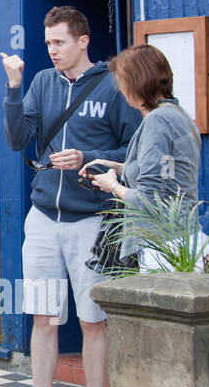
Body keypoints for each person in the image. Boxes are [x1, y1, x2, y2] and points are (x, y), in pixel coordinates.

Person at [0, 5, 141, 387]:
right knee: (42, 318)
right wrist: (15, 87)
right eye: (47, 43)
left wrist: (87, 157)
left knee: (92, 321)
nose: (52, 51)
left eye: (59, 42)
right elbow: (19, 139)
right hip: (43, 219)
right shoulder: (41, 82)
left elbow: (133, 151)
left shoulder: (114, 84)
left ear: (82, 41)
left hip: (92, 221)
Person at [80, 44, 202, 263]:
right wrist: (116, 166)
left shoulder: (157, 121)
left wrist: (113, 186)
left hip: (162, 245)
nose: (120, 89)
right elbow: (167, 175)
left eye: (122, 81)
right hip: (183, 238)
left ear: (136, 83)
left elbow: (150, 199)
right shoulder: (178, 115)